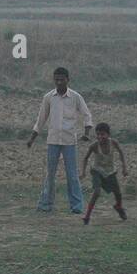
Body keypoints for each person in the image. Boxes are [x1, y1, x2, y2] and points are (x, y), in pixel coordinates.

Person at [26, 67, 93, 214]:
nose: (59, 82)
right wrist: (32, 138)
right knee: (50, 174)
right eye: (56, 79)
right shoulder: (48, 97)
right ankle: (45, 204)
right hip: (53, 141)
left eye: (62, 79)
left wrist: (87, 132)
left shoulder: (75, 97)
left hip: (69, 141)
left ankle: (77, 206)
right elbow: (41, 119)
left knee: (72, 175)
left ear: (68, 80)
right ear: (54, 80)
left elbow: (87, 115)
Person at [80, 122, 128, 224]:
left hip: (110, 171)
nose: (100, 137)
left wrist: (124, 167)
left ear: (108, 135)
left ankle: (118, 207)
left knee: (118, 193)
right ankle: (87, 216)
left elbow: (121, 153)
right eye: (98, 134)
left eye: (102, 134)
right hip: (97, 171)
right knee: (96, 192)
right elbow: (85, 158)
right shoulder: (94, 146)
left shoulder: (113, 143)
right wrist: (83, 172)